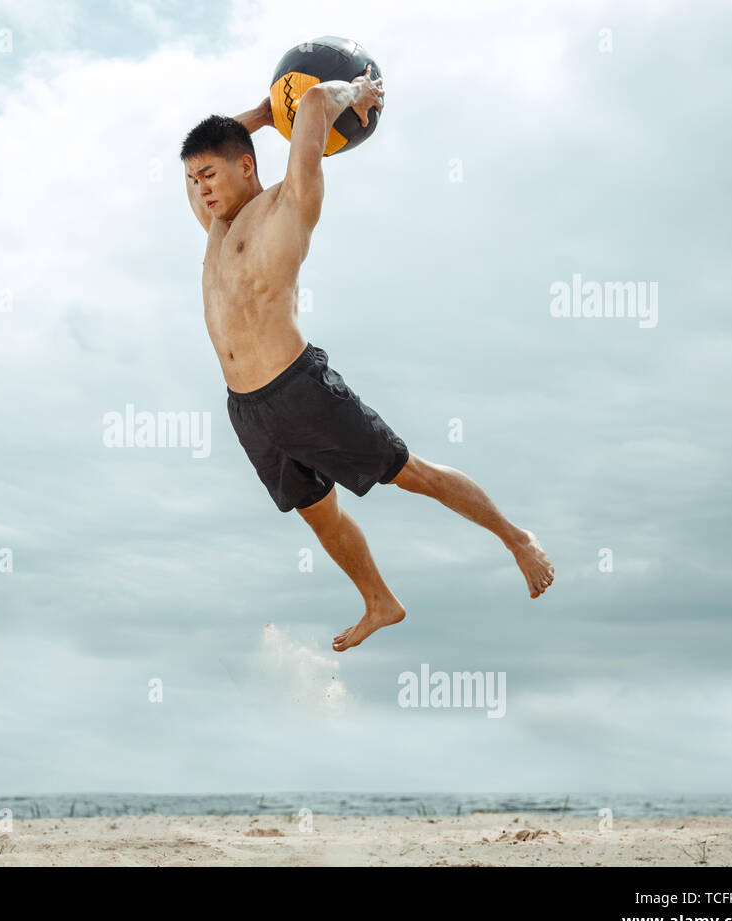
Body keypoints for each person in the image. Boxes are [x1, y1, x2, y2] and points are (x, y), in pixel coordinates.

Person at [180, 67, 554, 652]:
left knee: (413, 474)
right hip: (248, 411)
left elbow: (315, 103)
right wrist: (258, 112)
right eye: (193, 178)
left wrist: (354, 94)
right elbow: (212, 141)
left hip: (300, 391)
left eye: (209, 173)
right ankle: (380, 601)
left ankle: (517, 539)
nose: (200, 187)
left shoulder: (289, 204)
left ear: (246, 167)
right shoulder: (214, 229)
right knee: (319, 515)